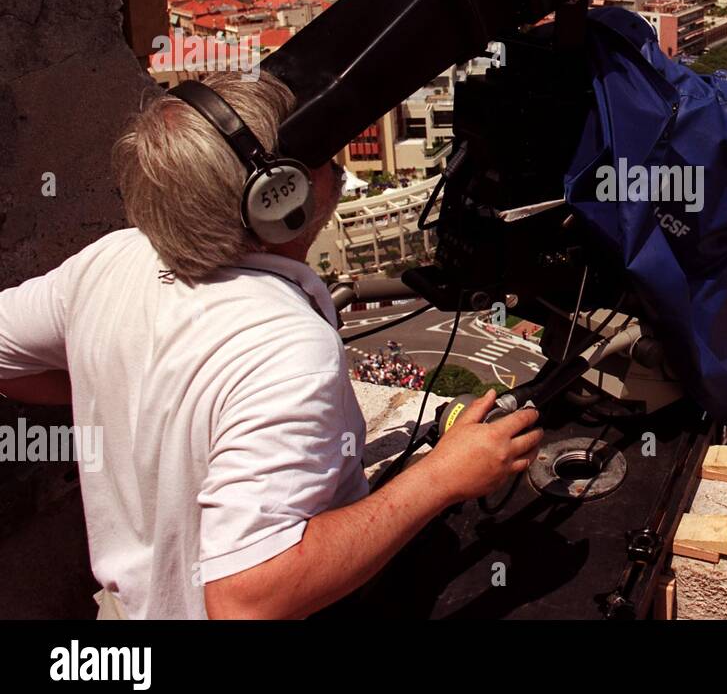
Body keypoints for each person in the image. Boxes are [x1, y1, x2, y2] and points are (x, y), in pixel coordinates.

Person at [0, 72, 541, 619]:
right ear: (274, 196)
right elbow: (244, 601)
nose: (333, 158)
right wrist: (442, 478)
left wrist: (129, 394)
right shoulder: (286, 347)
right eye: (311, 150)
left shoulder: (111, 260)